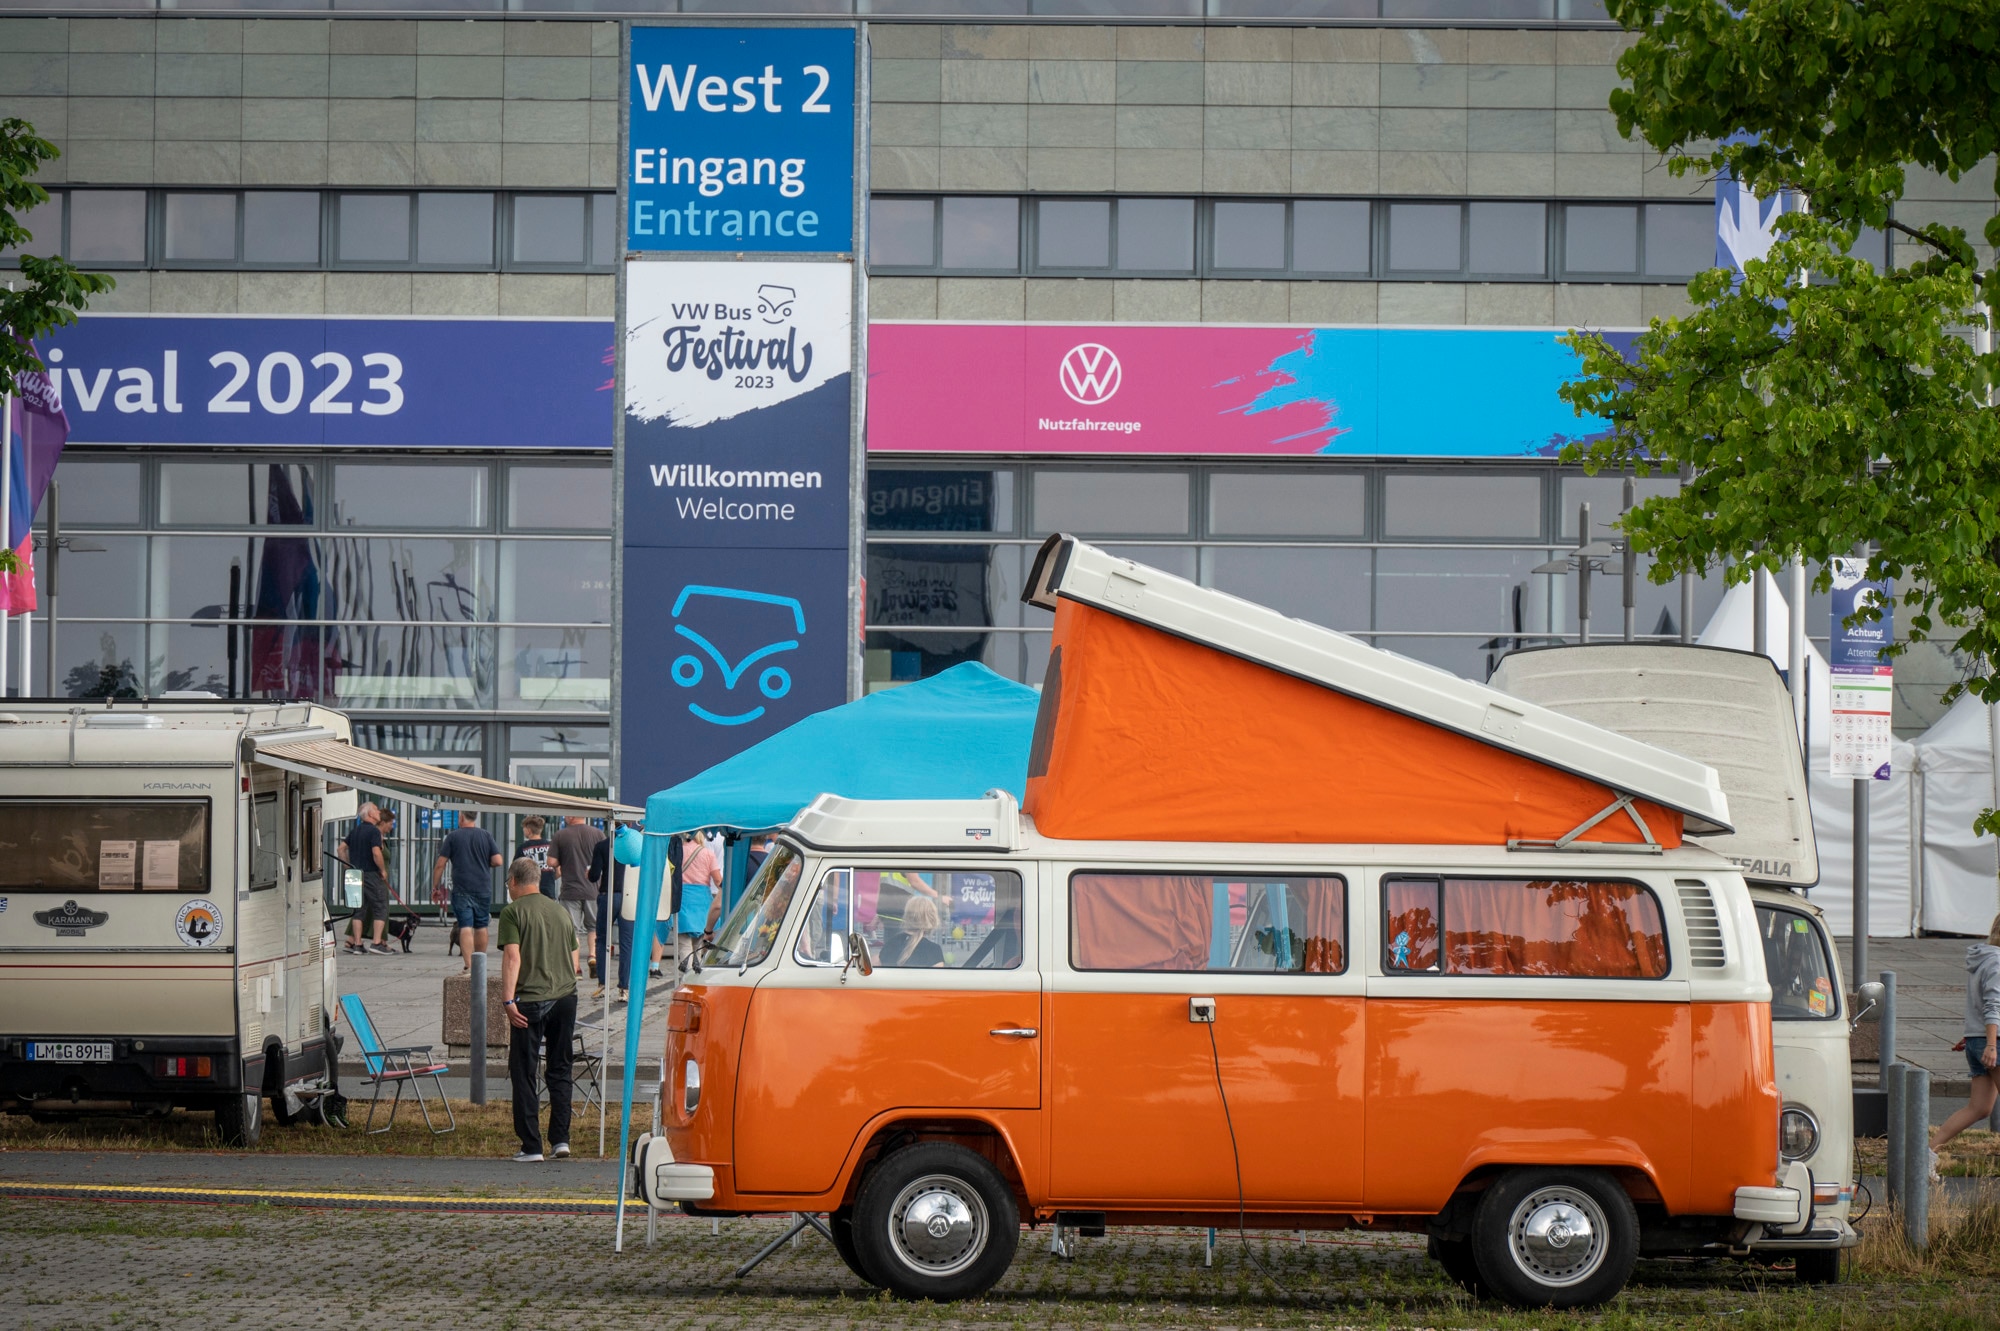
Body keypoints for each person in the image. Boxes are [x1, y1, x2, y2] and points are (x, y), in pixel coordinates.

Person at [498, 856, 579, 1163]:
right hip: (565, 996)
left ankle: (531, 1145)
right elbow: (575, 956)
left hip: (530, 1000)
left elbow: (512, 958)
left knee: (524, 1071)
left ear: (514, 882)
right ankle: (561, 1139)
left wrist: (508, 1000)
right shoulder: (559, 910)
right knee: (560, 1069)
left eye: (508, 883)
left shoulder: (512, 912)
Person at [1931, 914, 2000, 1172]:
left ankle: (1926, 1155)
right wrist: (1990, 1044)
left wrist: (1974, 1037)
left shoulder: (1983, 959)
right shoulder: (1997, 962)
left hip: (1978, 1039)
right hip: (1993, 1044)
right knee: (1978, 1107)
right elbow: (1993, 1005)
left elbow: (1977, 1003)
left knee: (1979, 1107)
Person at [430, 811, 503, 974]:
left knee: (465, 926)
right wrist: (483, 863)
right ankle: (480, 963)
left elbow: (440, 864)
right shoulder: (486, 835)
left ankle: (469, 965)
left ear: (461, 818)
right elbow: (498, 860)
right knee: (481, 925)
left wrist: (435, 887)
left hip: (462, 887)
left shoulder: (453, 837)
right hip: (483, 886)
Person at [552, 815, 606, 976]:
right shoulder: (598, 834)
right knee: (593, 927)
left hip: (570, 890)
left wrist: (563, 859)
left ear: (571, 817)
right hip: (593, 889)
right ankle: (593, 956)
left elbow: (551, 861)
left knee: (572, 930)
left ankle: (575, 967)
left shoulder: (561, 835)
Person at [588, 828, 636, 1004]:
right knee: (627, 943)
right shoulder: (634, 845)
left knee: (602, 940)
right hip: (629, 896)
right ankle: (624, 988)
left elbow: (593, 876)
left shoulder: (602, 846)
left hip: (608, 895)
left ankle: (602, 983)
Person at [340, 802, 394, 956]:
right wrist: (382, 870)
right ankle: (377, 943)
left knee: (358, 909)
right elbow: (376, 853)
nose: (378, 812)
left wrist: (348, 867)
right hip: (370, 873)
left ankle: (357, 944)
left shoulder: (355, 831)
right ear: (370, 814)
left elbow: (341, 848)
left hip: (355, 874)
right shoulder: (374, 832)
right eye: (376, 810)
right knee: (380, 906)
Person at [674, 829, 722, 975]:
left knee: (684, 942)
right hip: (702, 900)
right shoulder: (707, 853)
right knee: (700, 942)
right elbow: (718, 880)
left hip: (682, 898)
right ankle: (697, 972)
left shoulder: (677, 852)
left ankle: (688, 975)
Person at [889, 895, 946, 968]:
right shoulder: (933, 950)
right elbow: (938, 977)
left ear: (907, 916)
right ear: (931, 918)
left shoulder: (892, 943)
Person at [518, 816, 557, 899]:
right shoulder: (550, 846)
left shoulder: (523, 848)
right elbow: (559, 871)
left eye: (524, 828)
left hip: (529, 891)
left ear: (529, 830)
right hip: (548, 890)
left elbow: (517, 870)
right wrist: (550, 878)